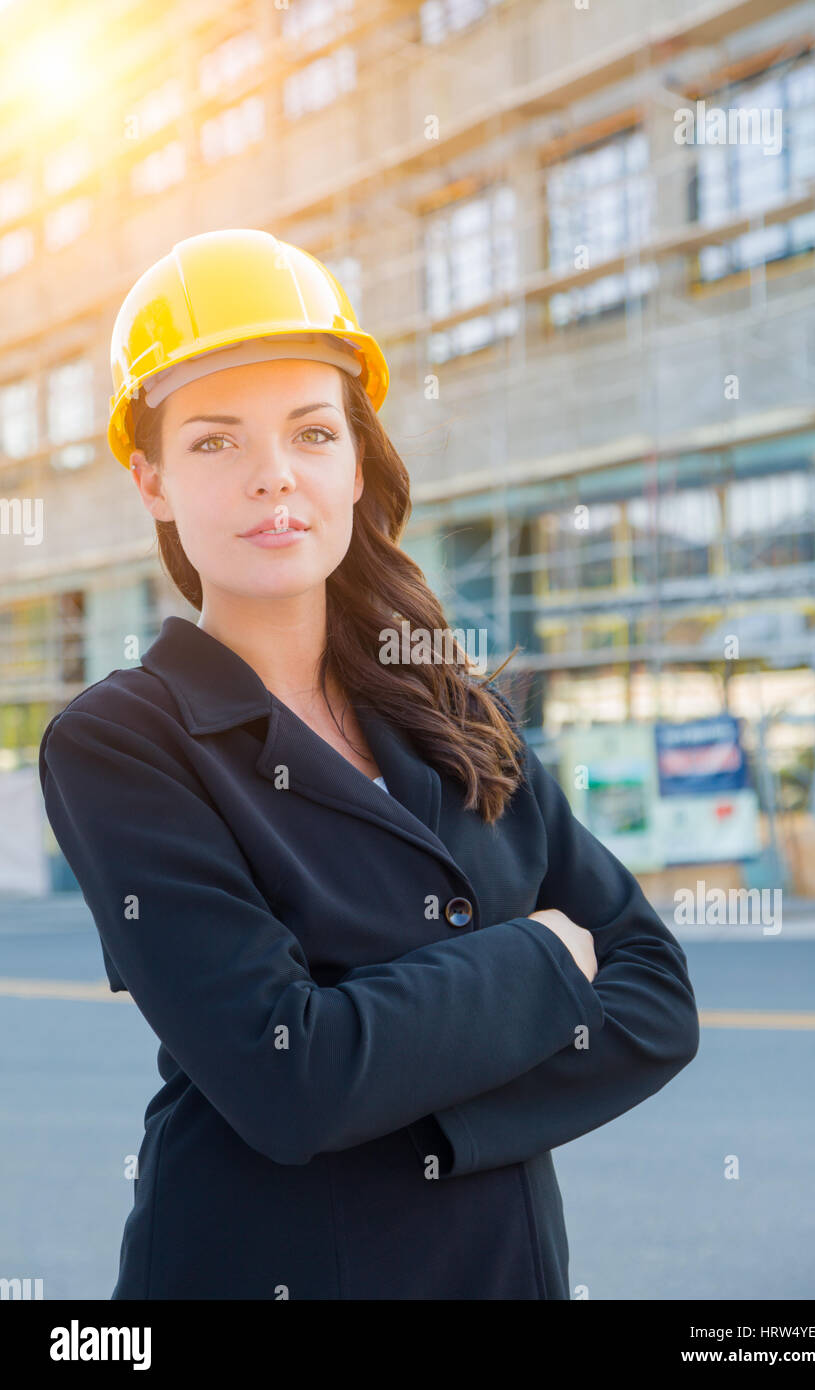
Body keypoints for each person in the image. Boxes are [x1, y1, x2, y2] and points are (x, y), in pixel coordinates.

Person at [39, 228, 700, 1300]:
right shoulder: (123, 742)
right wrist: (536, 961)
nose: (272, 478)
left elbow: (658, 997)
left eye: (310, 431)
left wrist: (378, 1066)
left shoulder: (453, 709)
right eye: (215, 442)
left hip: (500, 1273)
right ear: (150, 477)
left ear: (354, 458)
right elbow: (289, 1078)